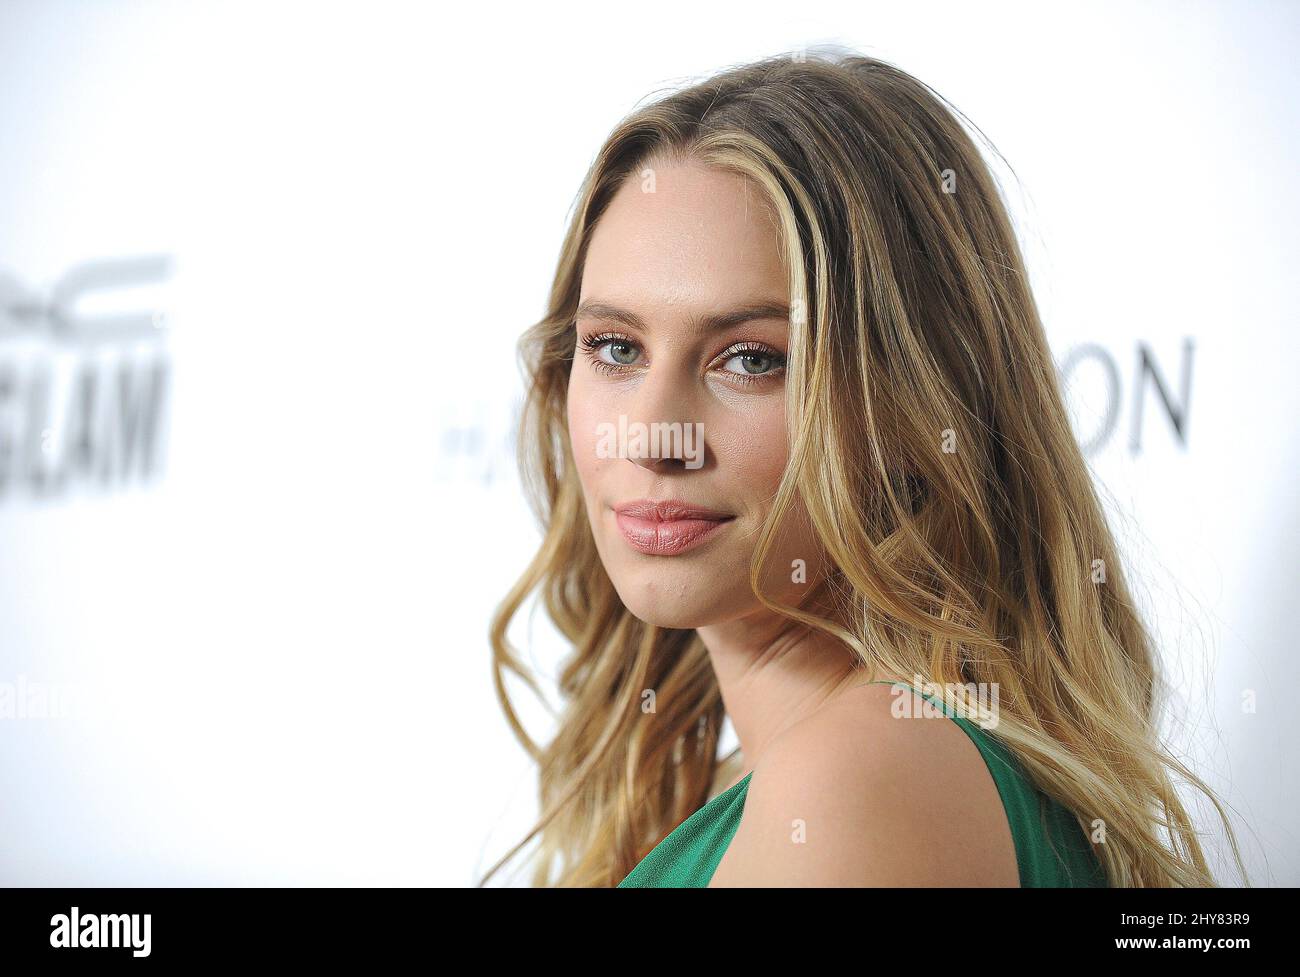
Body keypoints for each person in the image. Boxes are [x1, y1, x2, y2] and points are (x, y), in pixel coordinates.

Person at [478, 49, 1247, 887]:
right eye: (616, 347)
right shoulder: (814, 776)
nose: (653, 436)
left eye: (750, 358)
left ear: (918, 398)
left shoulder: (857, 783)